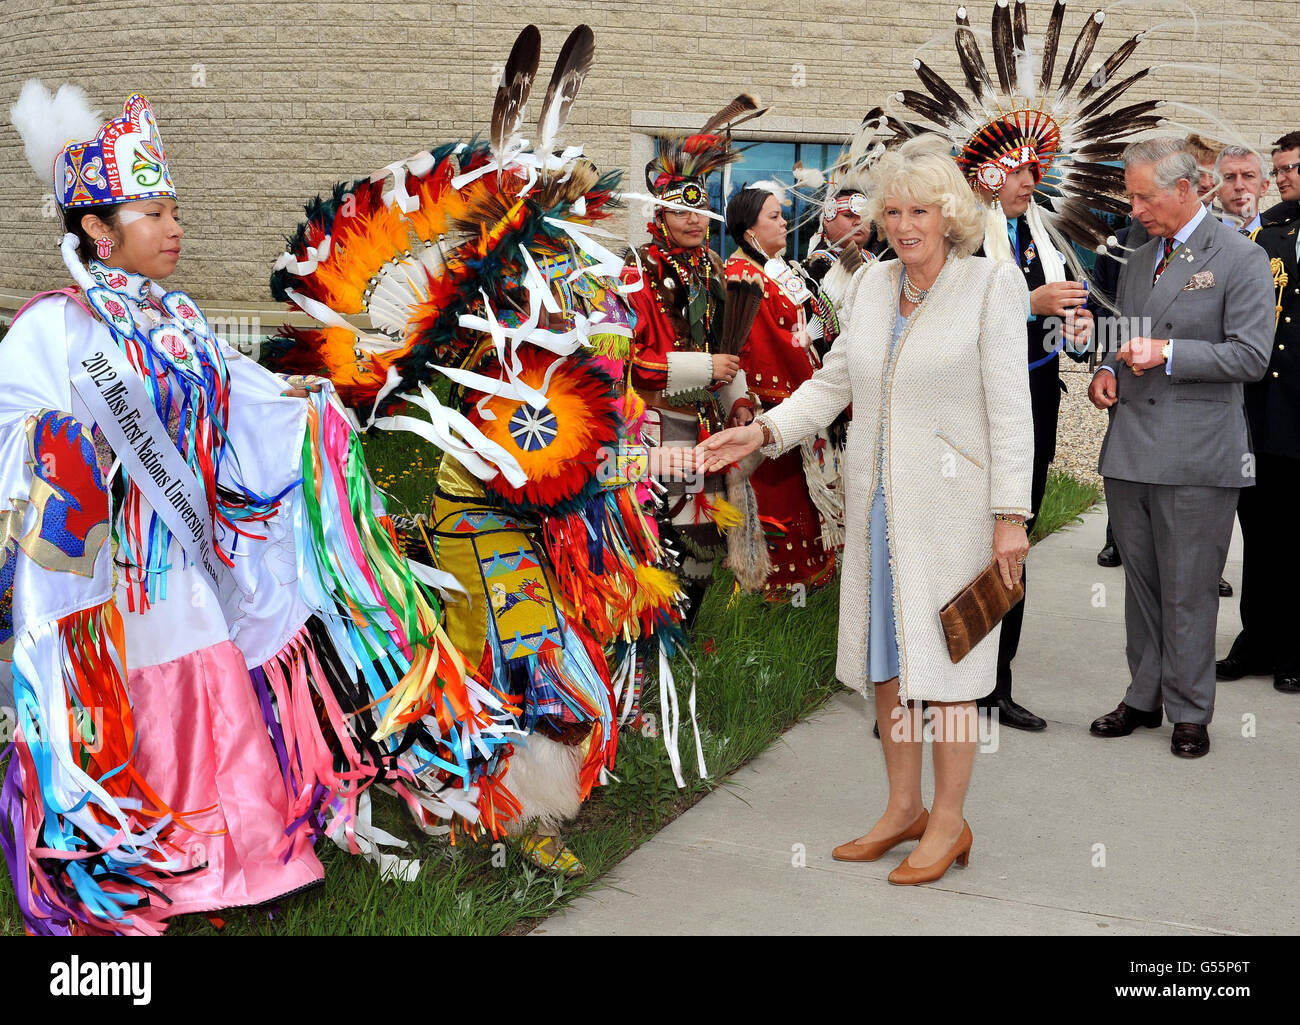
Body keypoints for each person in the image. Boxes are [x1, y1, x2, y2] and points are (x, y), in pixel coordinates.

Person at [2, 84, 500, 935]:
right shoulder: (54, 329)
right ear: (96, 228)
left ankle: (245, 858)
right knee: (146, 691)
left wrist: (308, 408)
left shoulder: (178, 319)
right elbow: (16, 427)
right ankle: (146, 861)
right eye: (152, 211)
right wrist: (66, 442)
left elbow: (243, 402)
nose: (173, 226)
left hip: (185, 559)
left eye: (173, 209)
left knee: (209, 679)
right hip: (110, 569)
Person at [698, 135, 1034, 885]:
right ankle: (903, 806)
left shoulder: (990, 286)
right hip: (880, 511)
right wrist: (761, 430)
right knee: (889, 664)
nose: (905, 223)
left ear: (949, 215)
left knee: (952, 666)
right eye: (893, 210)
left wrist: (1012, 514)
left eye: (920, 209)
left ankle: (949, 820)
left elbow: (1014, 411)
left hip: (957, 514)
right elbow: (834, 381)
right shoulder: (877, 285)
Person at [1087, 137, 1275, 758]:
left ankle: (1191, 710)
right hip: (1132, 450)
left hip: (1198, 453)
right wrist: (1105, 371)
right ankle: (1144, 696)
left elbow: (1252, 356)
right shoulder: (1142, 257)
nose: (1134, 207)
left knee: (1189, 588)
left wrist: (1168, 354)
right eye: (1130, 194)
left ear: (1186, 188)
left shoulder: (1240, 259)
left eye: (1144, 195)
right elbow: (1122, 333)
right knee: (1141, 586)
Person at [967, 128, 1095, 732]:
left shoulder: (1035, 234)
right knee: (950, 547)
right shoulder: (953, 230)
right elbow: (940, 310)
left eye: (1035, 169)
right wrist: (1028, 304)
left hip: (1031, 409)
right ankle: (927, 690)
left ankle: (994, 684)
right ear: (986, 172)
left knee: (1014, 540)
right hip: (963, 417)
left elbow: (1050, 317)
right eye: (1018, 170)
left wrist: (1071, 331)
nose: (1030, 181)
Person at [623, 110, 758, 627]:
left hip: (704, 429)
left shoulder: (715, 270)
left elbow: (730, 351)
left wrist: (740, 402)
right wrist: (706, 368)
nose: (693, 219)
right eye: (680, 211)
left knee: (702, 551)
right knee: (660, 547)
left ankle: (680, 640)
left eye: (700, 211)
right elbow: (629, 360)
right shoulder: (636, 269)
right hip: (657, 428)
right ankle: (648, 648)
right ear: (659, 215)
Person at [723, 187, 838, 599]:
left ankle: (804, 595)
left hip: (794, 400)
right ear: (750, 227)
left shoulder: (775, 268)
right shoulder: (741, 275)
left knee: (801, 502)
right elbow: (754, 347)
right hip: (769, 406)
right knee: (781, 506)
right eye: (774, 216)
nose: (785, 222)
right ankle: (775, 596)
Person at [1217, 130, 1300, 694]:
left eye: (1293, 166)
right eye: (1283, 168)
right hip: (1263, 412)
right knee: (1261, 531)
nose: (1286, 176)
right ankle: (1258, 639)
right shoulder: (1269, 233)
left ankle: (1295, 647)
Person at [1215, 144, 1270, 233]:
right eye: (1229, 177)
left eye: (1248, 176)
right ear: (1216, 189)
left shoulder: (1284, 241)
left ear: (1263, 187)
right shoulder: (1200, 236)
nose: (1239, 186)